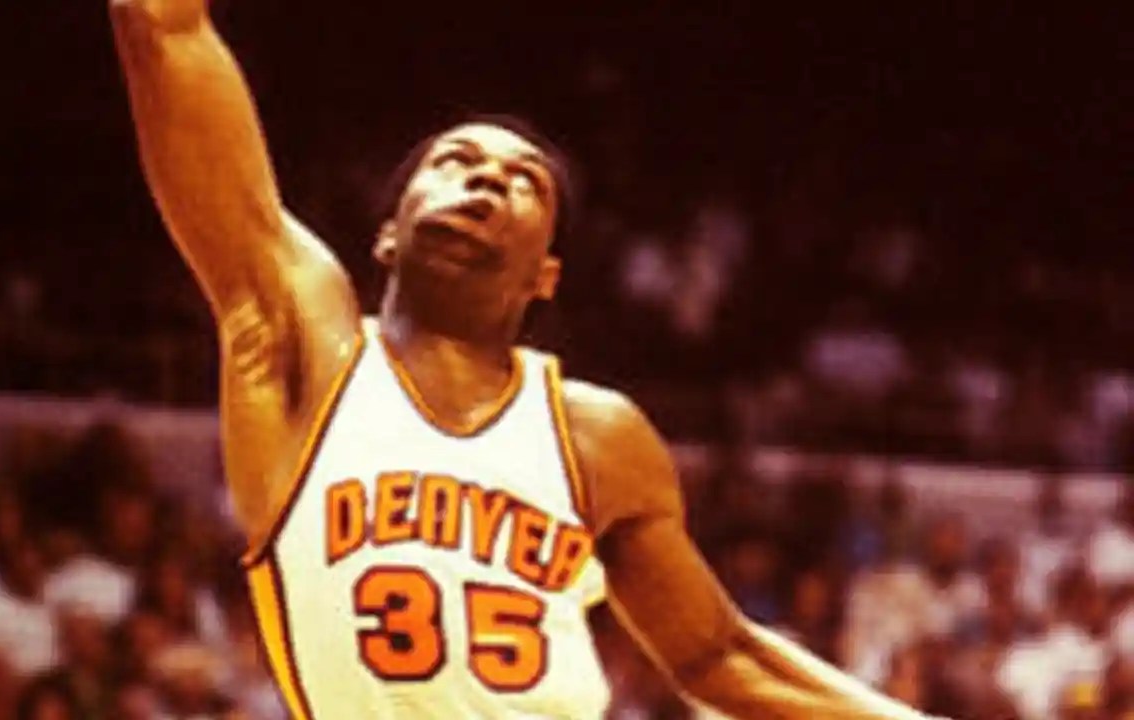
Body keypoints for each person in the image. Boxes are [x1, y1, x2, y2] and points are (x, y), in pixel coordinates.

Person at [108, 1, 939, 717]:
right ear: (389, 232)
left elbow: (722, 658)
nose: (483, 183)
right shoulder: (303, 350)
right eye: (455, 162)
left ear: (546, 275)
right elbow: (163, 30)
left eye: (522, 182)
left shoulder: (597, 435)